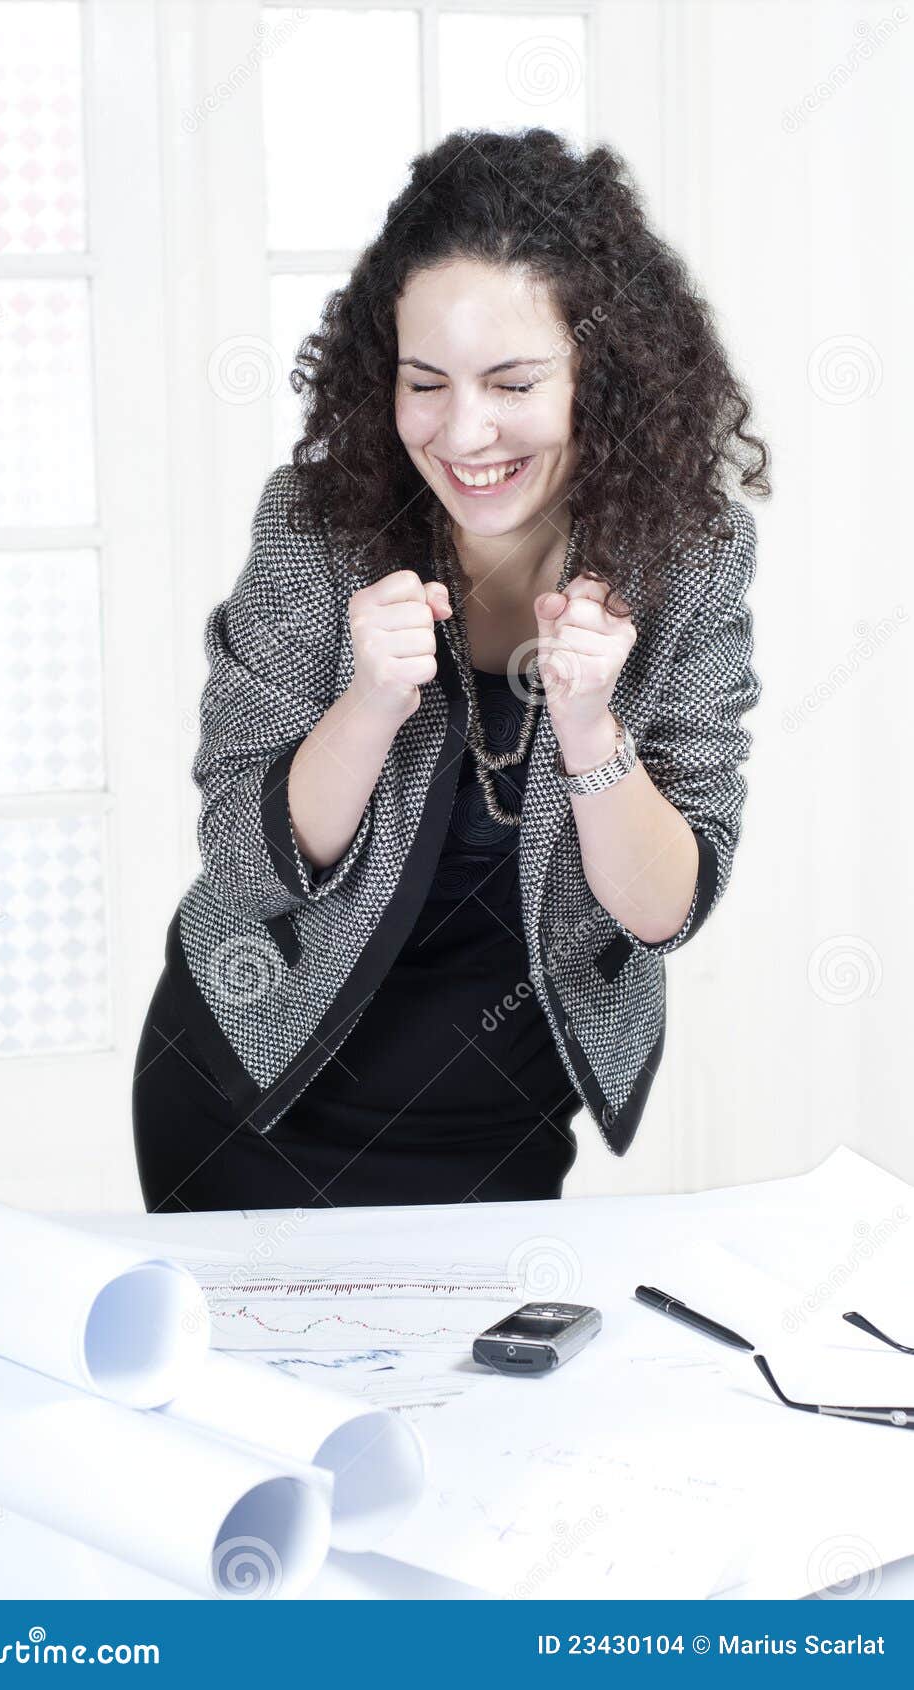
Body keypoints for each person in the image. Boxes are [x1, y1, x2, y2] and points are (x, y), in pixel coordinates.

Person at [133, 127, 769, 1212]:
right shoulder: (316, 527)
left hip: (503, 1121)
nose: (463, 431)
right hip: (252, 1093)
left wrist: (590, 731)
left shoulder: (691, 556)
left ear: (597, 378)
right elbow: (247, 859)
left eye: (512, 382)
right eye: (425, 382)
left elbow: (666, 909)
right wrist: (367, 706)